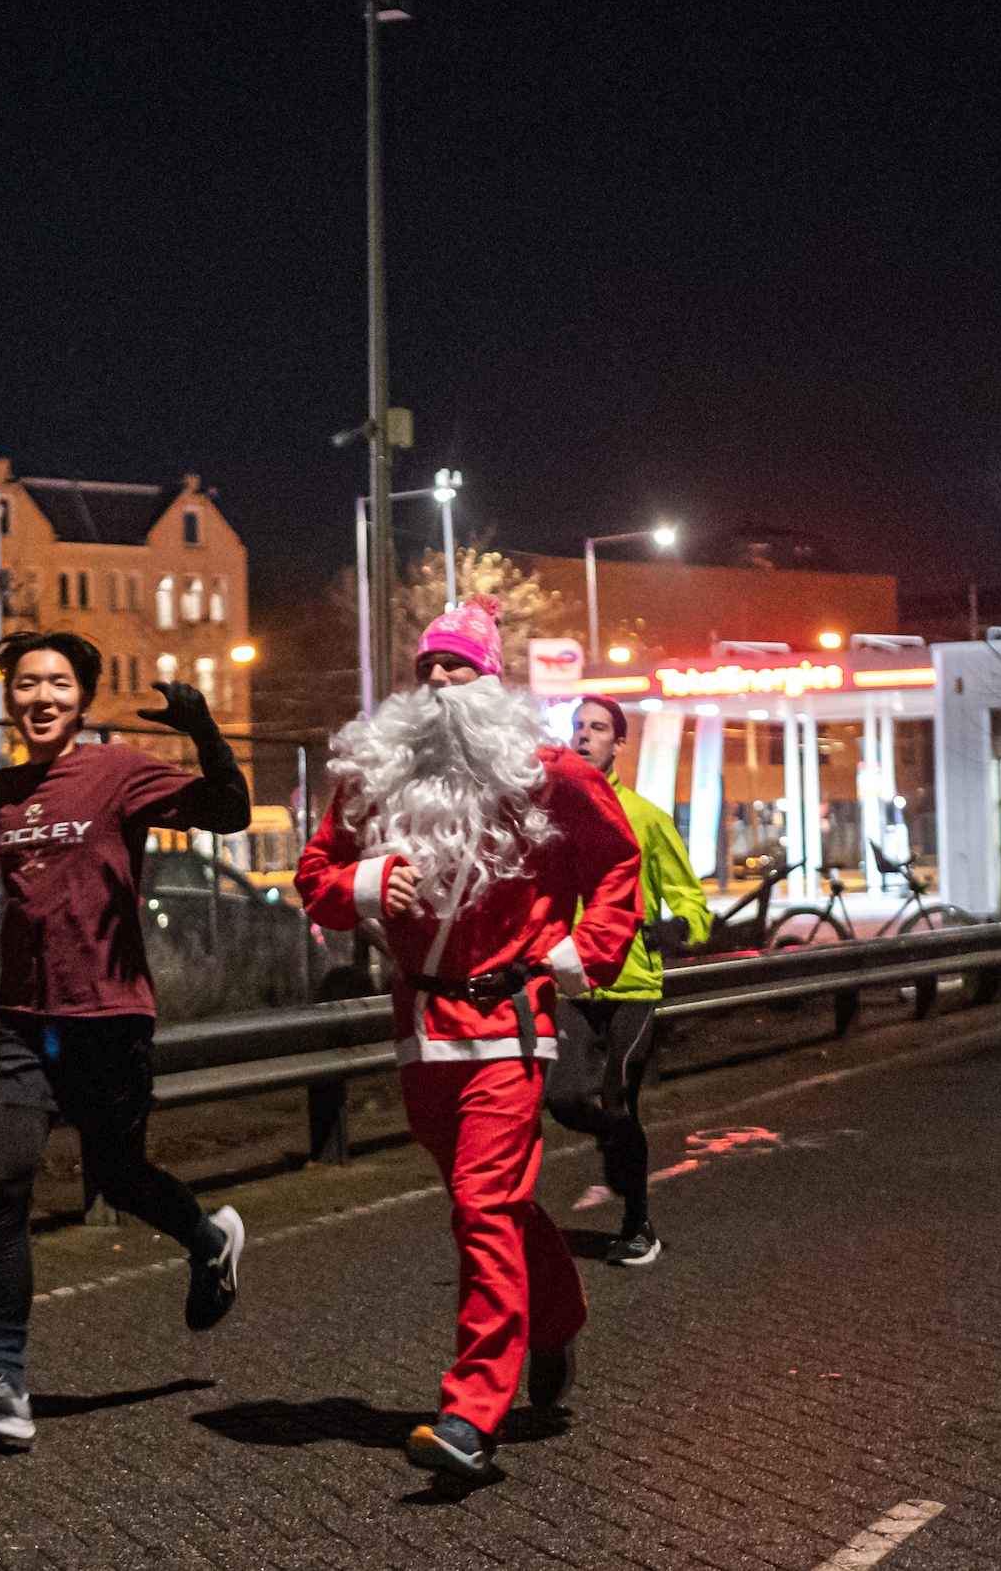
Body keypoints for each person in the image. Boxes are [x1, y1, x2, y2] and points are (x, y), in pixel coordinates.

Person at [0, 631, 252, 1450]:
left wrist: (203, 730)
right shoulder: (4, 789)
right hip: (22, 1022)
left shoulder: (118, 770)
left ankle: (207, 1237)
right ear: (10, 699)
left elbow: (229, 812)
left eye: (57, 684)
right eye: (25, 685)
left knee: (119, 1174)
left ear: (80, 699)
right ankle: (4, 1384)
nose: (40, 697)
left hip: (109, 1019)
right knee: (5, 1181)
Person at [296, 595, 643, 1485]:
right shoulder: (376, 774)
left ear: (492, 683)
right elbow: (316, 872)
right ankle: (557, 1314)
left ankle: (470, 1414)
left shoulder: (548, 772)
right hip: (422, 1028)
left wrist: (588, 951)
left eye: (458, 668)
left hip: (513, 1021)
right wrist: (367, 883)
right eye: (427, 669)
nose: (441, 683)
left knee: (482, 1211)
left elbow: (615, 862)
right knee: (493, 1205)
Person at [551, 695, 715, 1269]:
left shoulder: (646, 818)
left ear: (619, 743)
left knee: (621, 1099)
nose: (584, 736)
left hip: (635, 984)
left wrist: (674, 928)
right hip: (573, 982)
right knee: (564, 1098)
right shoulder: (553, 819)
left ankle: (638, 1223)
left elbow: (693, 901)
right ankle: (615, 1140)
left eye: (597, 728)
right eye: (577, 727)